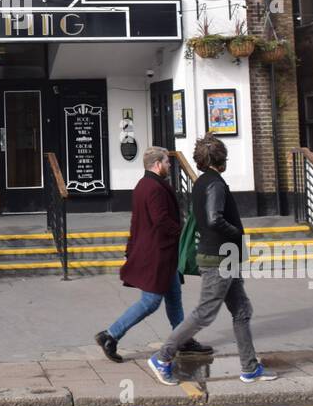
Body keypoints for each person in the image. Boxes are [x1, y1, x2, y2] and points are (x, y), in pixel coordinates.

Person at [147, 134, 275, 385]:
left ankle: (250, 368)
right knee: (204, 313)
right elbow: (214, 218)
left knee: (242, 309)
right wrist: (236, 232)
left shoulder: (201, 182)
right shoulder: (215, 184)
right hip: (219, 257)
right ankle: (162, 357)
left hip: (224, 256)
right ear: (221, 159)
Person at [95, 146, 211, 363]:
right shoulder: (154, 188)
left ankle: (183, 340)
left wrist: (130, 249)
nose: (169, 165)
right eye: (167, 162)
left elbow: (136, 222)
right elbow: (161, 221)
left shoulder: (144, 185)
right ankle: (110, 335)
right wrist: (185, 234)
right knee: (150, 301)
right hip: (157, 254)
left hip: (164, 255)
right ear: (157, 164)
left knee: (174, 299)